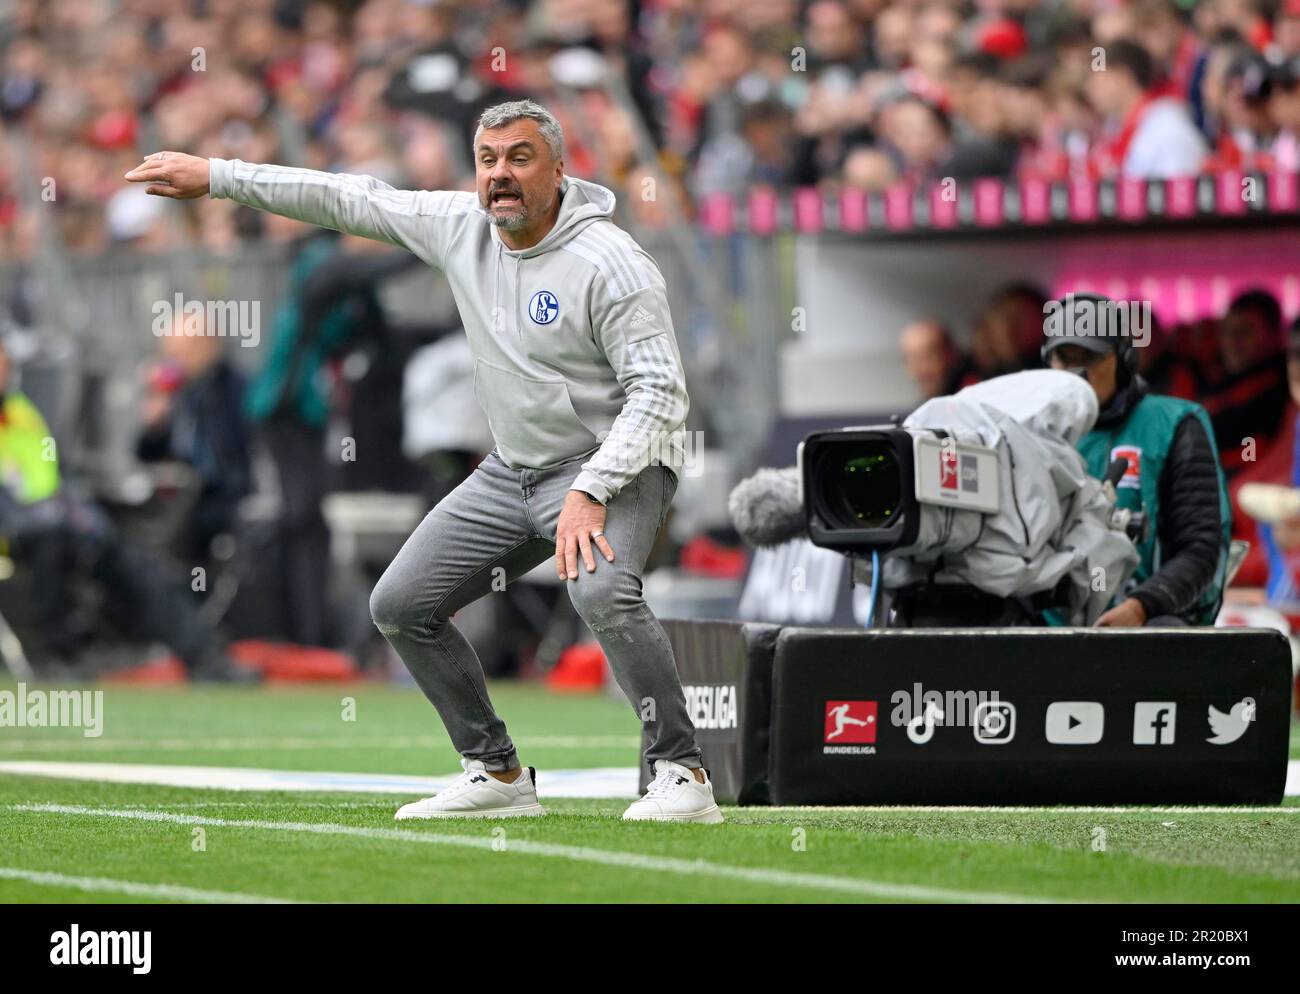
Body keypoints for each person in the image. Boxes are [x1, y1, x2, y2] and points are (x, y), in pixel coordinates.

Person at [125, 99, 720, 823]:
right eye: (489, 159)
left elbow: (660, 394)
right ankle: (497, 772)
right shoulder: (460, 224)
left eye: (520, 158)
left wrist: (593, 487)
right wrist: (218, 175)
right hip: (515, 469)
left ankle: (682, 772)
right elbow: (347, 197)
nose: (500, 175)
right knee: (400, 605)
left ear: (561, 169)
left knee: (598, 592)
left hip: (616, 466)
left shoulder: (613, 263)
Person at [0, 339, 254, 682]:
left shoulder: (20, 413)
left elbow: (51, 476)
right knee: (51, 539)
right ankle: (53, 657)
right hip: (21, 530)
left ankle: (202, 654)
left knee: (135, 561)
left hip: (52, 518)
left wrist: (78, 514)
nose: (6, 366)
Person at [1043, 294, 1231, 626]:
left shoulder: (1175, 424)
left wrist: (1141, 607)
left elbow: (1201, 548)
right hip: (1050, 624)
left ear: (1125, 360)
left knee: (1163, 634)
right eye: (1065, 358)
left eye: (1090, 357)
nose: (1077, 372)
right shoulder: (1032, 433)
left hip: (1147, 618)